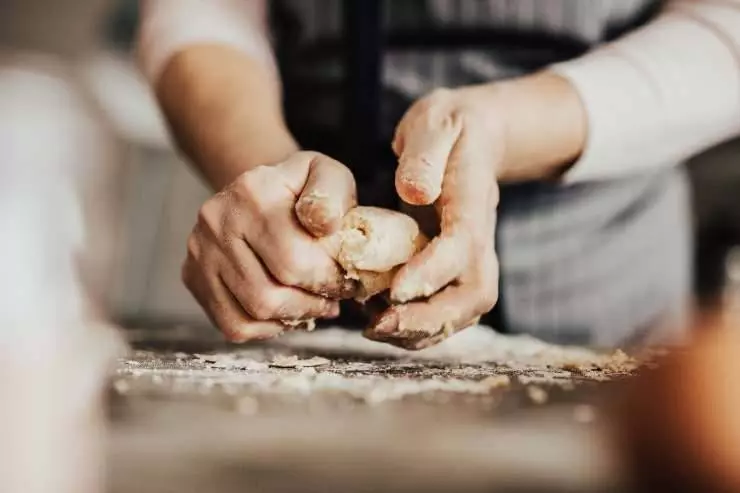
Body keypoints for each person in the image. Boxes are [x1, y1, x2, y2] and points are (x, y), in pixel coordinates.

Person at [137, 0, 740, 350]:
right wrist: (266, 172)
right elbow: (202, 12)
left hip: (608, 296)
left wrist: (508, 125)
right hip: (301, 308)